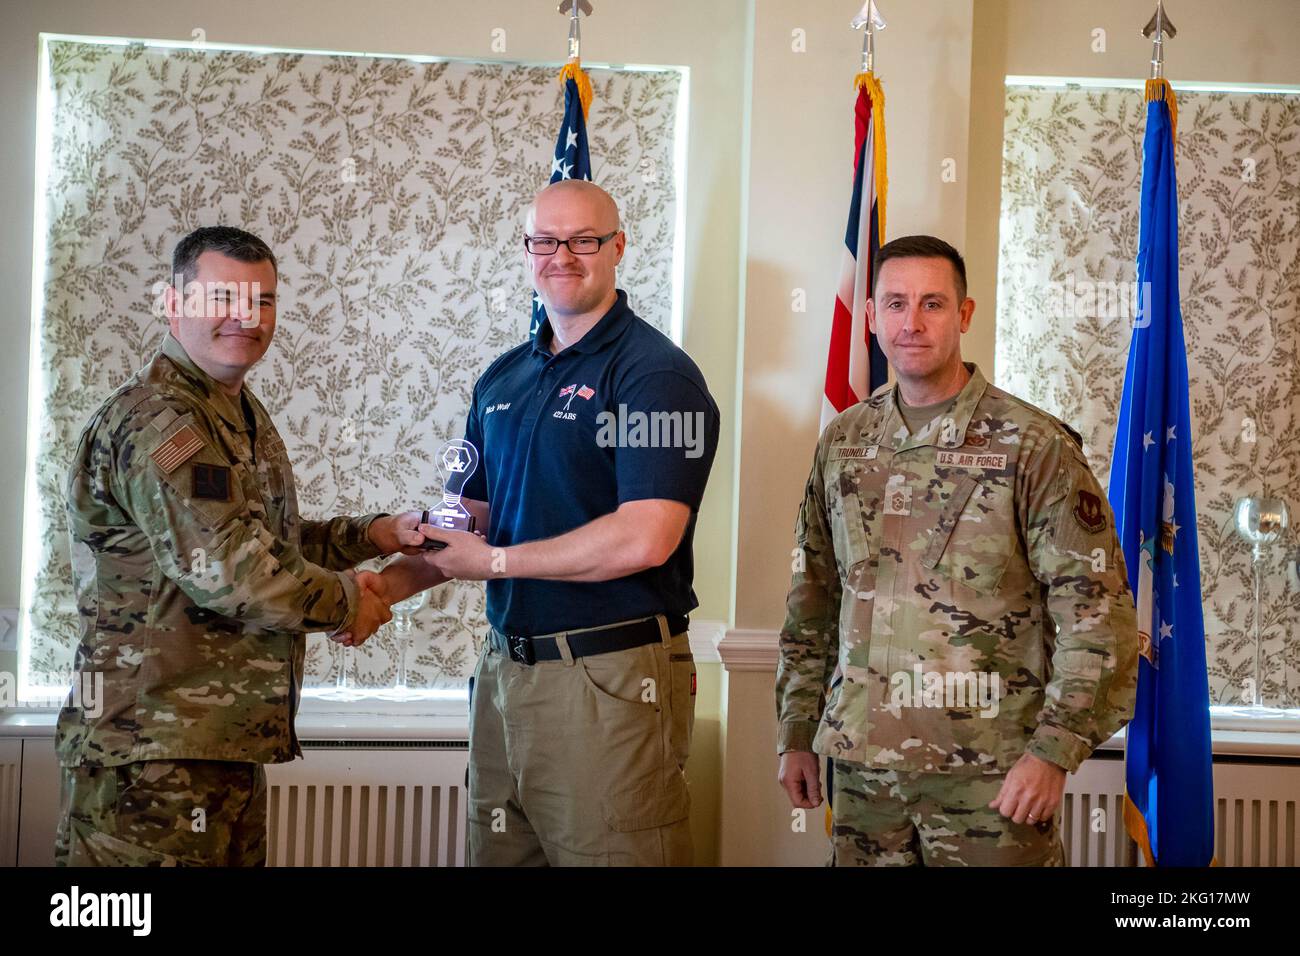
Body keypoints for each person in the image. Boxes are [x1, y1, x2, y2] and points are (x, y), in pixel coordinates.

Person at [366, 179, 719, 865]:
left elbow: (648, 536)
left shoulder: (657, 376)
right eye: (545, 240)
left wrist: (495, 562)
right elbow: (469, 518)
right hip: (503, 678)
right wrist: (382, 588)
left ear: (618, 247)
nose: (563, 255)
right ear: (527, 251)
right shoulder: (504, 379)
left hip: (608, 680)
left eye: (584, 240)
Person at [54, 226, 422, 866]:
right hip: (150, 752)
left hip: (217, 745)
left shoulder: (233, 410)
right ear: (175, 303)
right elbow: (229, 569)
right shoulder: (160, 420)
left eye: (263, 301)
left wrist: (374, 533)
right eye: (222, 298)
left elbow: (261, 542)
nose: (245, 318)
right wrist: (348, 605)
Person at [775, 234, 1139, 866]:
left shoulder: (1033, 445)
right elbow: (813, 600)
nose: (911, 322)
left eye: (932, 304)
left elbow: (1096, 616)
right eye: (894, 304)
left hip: (991, 776)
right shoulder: (846, 442)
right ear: (870, 317)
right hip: (864, 773)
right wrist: (796, 731)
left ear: (964, 315)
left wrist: (1055, 751)